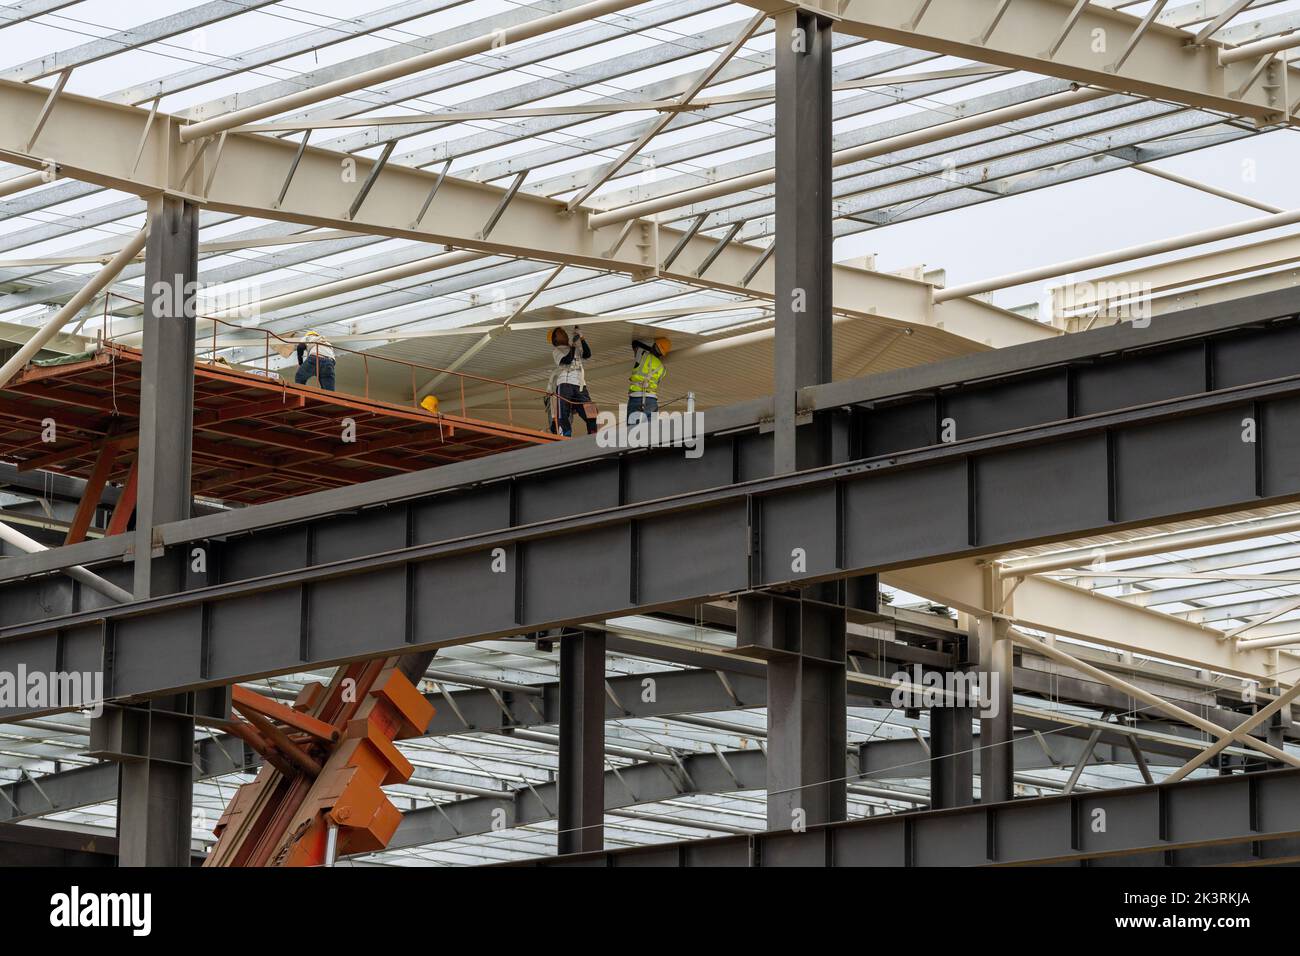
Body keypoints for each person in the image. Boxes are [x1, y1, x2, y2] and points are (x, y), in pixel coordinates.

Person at [549, 326, 597, 437]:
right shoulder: (556, 351)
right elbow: (567, 360)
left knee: (590, 411)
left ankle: (594, 432)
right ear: (555, 339)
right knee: (563, 413)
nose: (564, 333)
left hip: (580, 384)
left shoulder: (574, 349)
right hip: (565, 383)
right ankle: (565, 434)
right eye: (560, 333)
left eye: (564, 332)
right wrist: (574, 346)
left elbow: (587, 354)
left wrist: (582, 338)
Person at [628, 336, 669, 426]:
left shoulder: (643, 356)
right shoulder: (662, 369)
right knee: (651, 434)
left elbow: (635, 344)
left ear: (654, 346)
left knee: (632, 431)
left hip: (637, 399)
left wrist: (650, 348)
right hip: (652, 401)